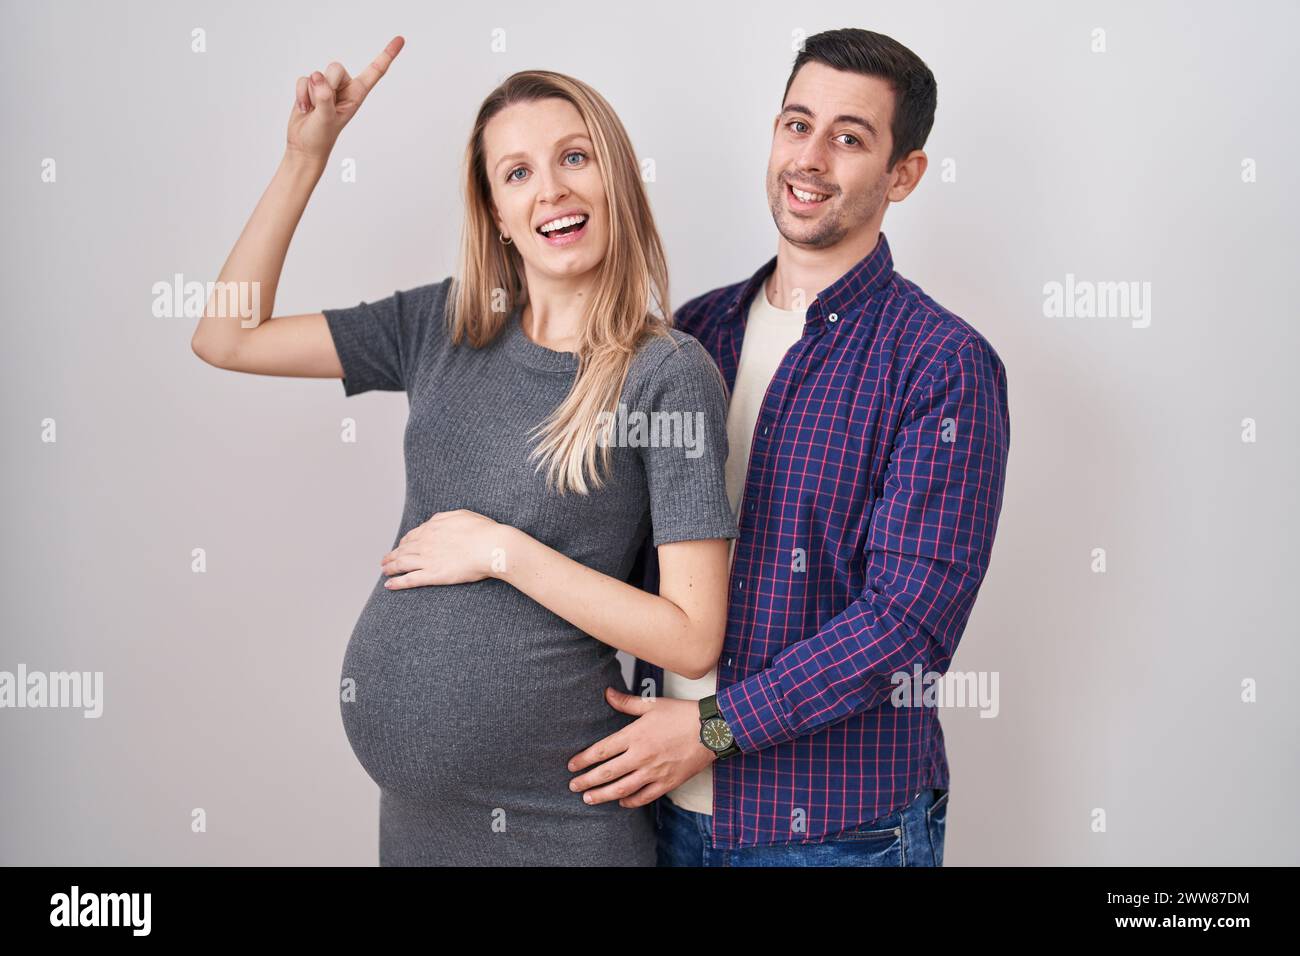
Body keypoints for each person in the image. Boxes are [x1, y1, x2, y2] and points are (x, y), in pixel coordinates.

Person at [190, 36, 738, 865]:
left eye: (574, 157)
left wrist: (499, 550)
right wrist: (306, 159)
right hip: (418, 824)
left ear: (615, 179)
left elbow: (692, 637)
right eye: (517, 173)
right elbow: (226, 335)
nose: (550, 188)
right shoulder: (449, 325)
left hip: (561, 820)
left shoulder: (666, 373)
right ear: (497, 215)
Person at [567, 27, 1011, 867]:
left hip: (837, 831)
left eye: (850, 138)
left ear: (904, 173)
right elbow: (626, 551)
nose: (810, 158)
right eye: (796, 124)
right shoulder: (692, 334)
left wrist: (713, 729)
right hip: (654, 807)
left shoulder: (943, 365)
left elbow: (906, 624)